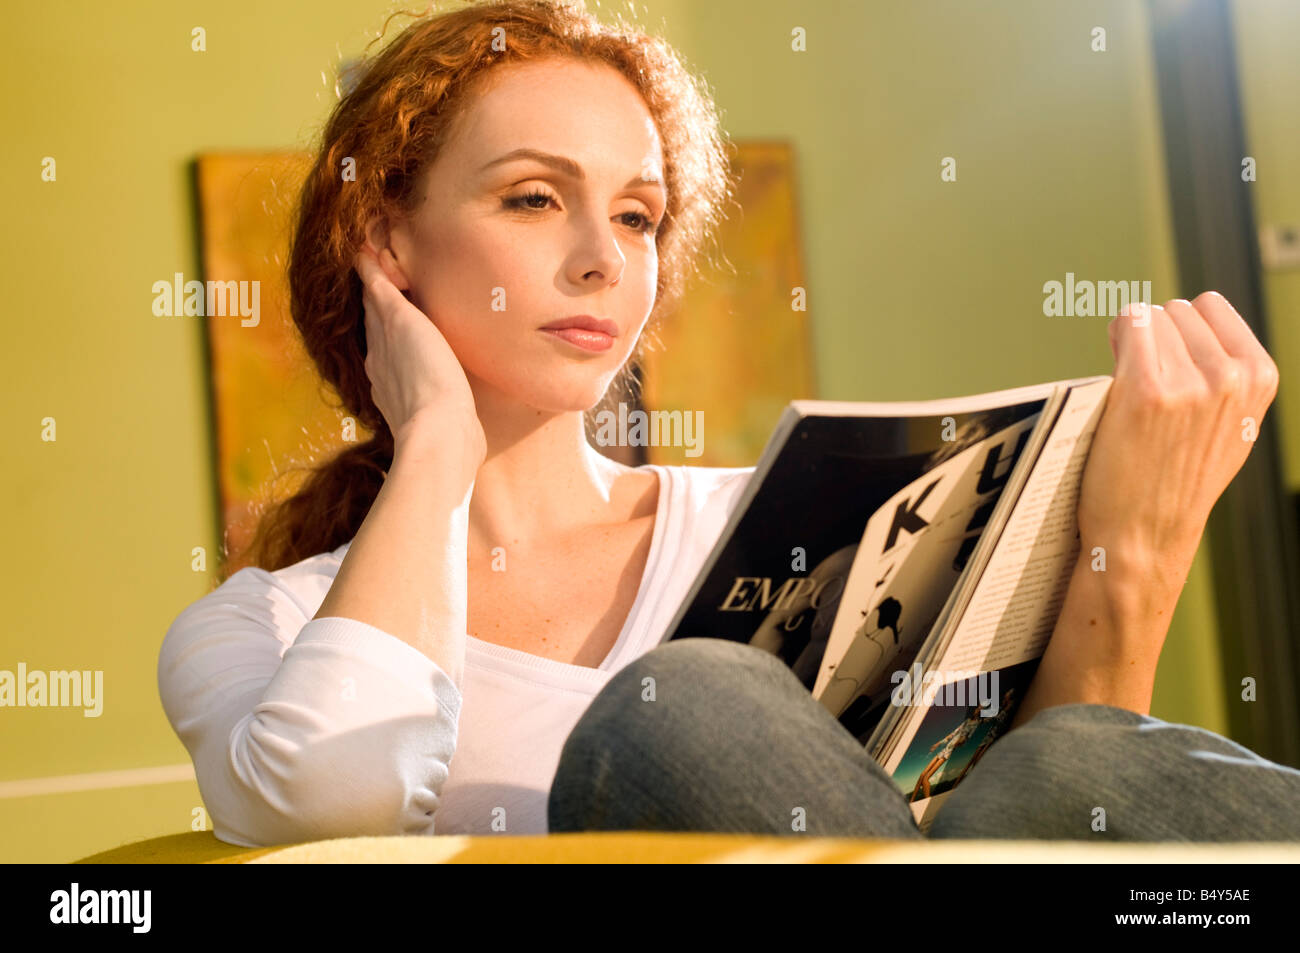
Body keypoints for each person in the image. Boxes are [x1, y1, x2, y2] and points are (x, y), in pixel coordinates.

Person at [158, 0, 1298, 849]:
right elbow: (328, 809)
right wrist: (440, 451)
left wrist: (1136, 551)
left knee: (1061, 759)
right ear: (389, 243)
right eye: (532, 197)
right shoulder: (259, 629)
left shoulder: (794, 514)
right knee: (684, 707)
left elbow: (1059, 820)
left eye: (639, 214)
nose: (604, 257)